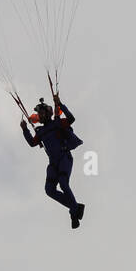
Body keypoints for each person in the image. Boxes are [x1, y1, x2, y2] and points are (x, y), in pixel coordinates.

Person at [20, 95, 87, 228]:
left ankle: (74, 214)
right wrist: (25, 129)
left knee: (63, 183)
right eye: (39, 113)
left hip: (64, 158)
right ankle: (75, 206)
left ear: (48, 113)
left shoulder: (57, 122)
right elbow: (32, 143)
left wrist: (60, 104)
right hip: (53, 163)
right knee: (49, 190)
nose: (41, 115)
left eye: (42, 112)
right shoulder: (40, 131)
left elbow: (71, 119)